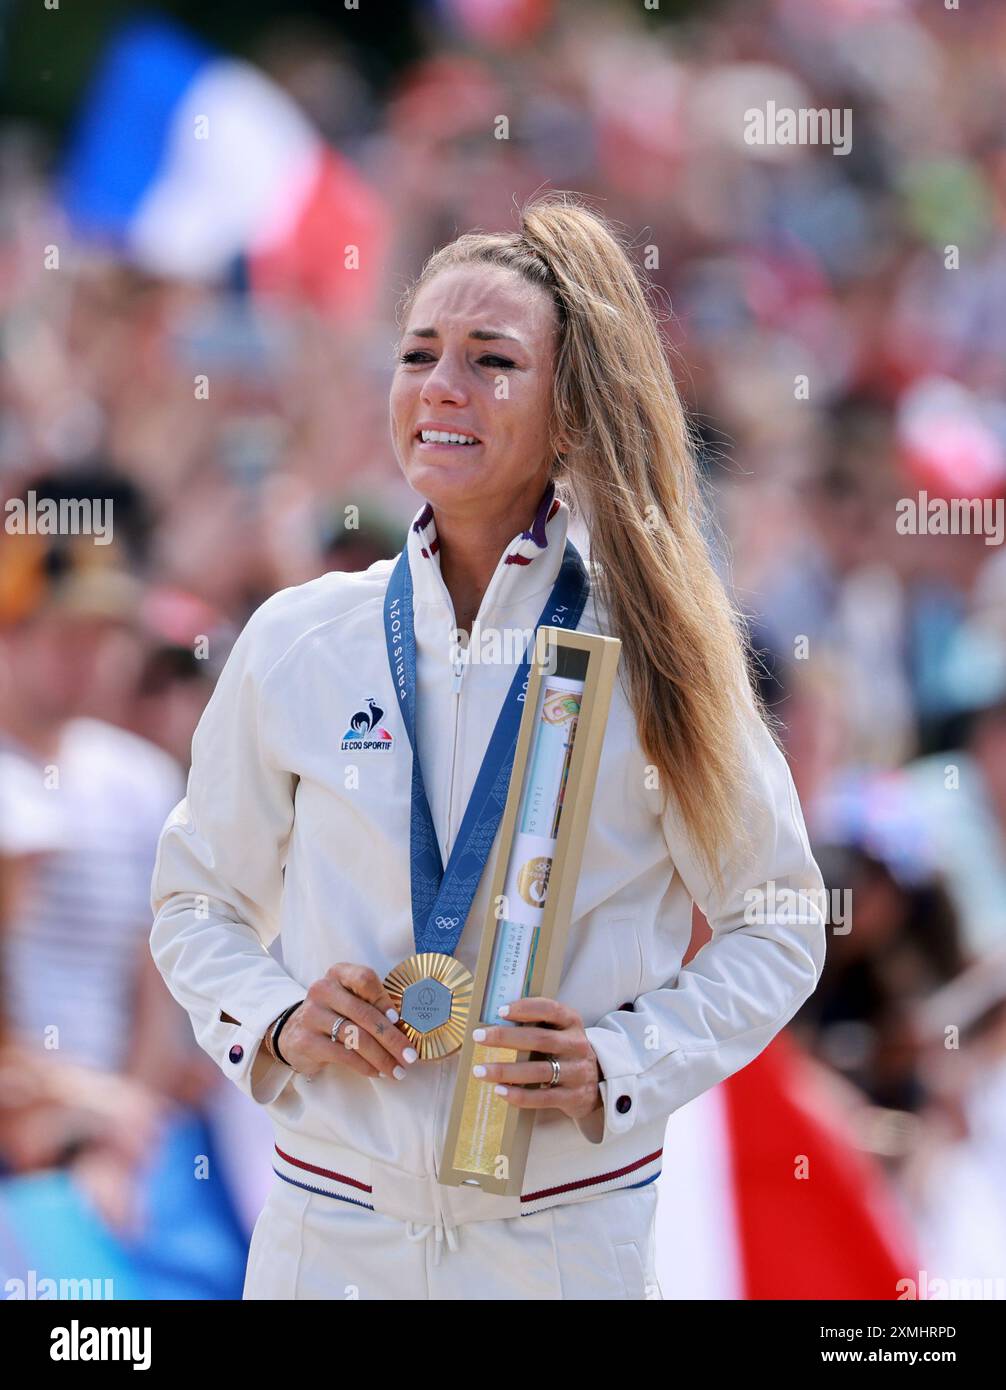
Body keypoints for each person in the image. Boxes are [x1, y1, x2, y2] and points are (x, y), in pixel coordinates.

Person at [149, 192, 827, 1301]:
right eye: (418, 354)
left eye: (491, 360)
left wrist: (621, 1060)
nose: (442, 387)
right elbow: (194, 902)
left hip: (560, 1242)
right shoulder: (297, 635)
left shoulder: (654, 642)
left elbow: (781, 917)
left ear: (570, 408)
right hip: (330, 1232)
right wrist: (275, 1019)